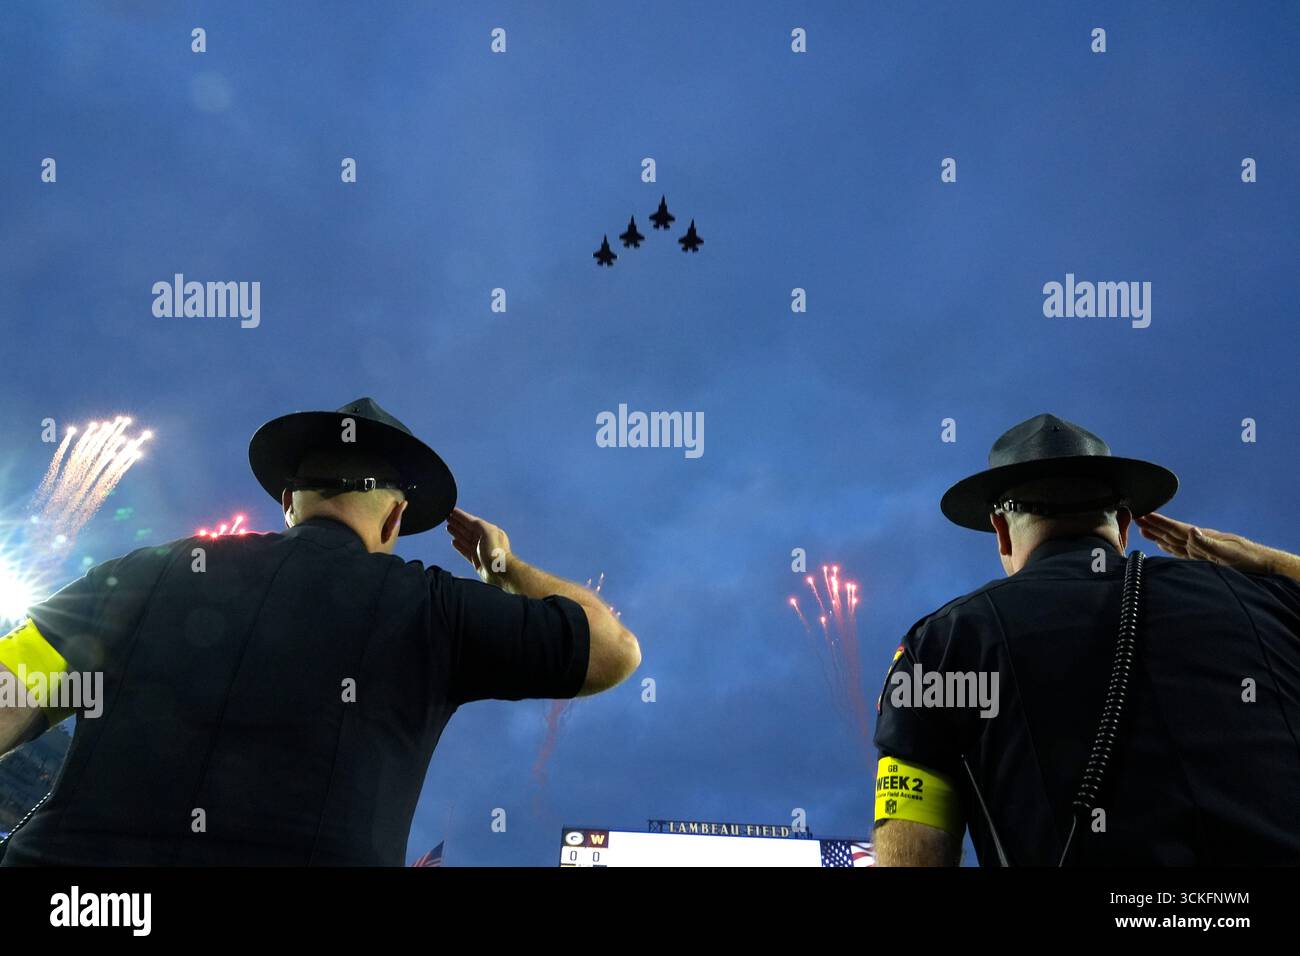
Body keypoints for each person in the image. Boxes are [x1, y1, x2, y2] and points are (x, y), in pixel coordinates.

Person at [0, 397, 640, 865]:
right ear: (393, 520)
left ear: (289, 501)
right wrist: (501, 567)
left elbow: (8, 699)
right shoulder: (432, 609)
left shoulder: (144, 573)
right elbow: (613, 651)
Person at [872, 413, 1300, 866]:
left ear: (1001, 531)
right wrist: (1274, 566)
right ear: (1123, 522)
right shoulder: (1271, 605)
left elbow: (912, 853)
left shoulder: (941, 648)